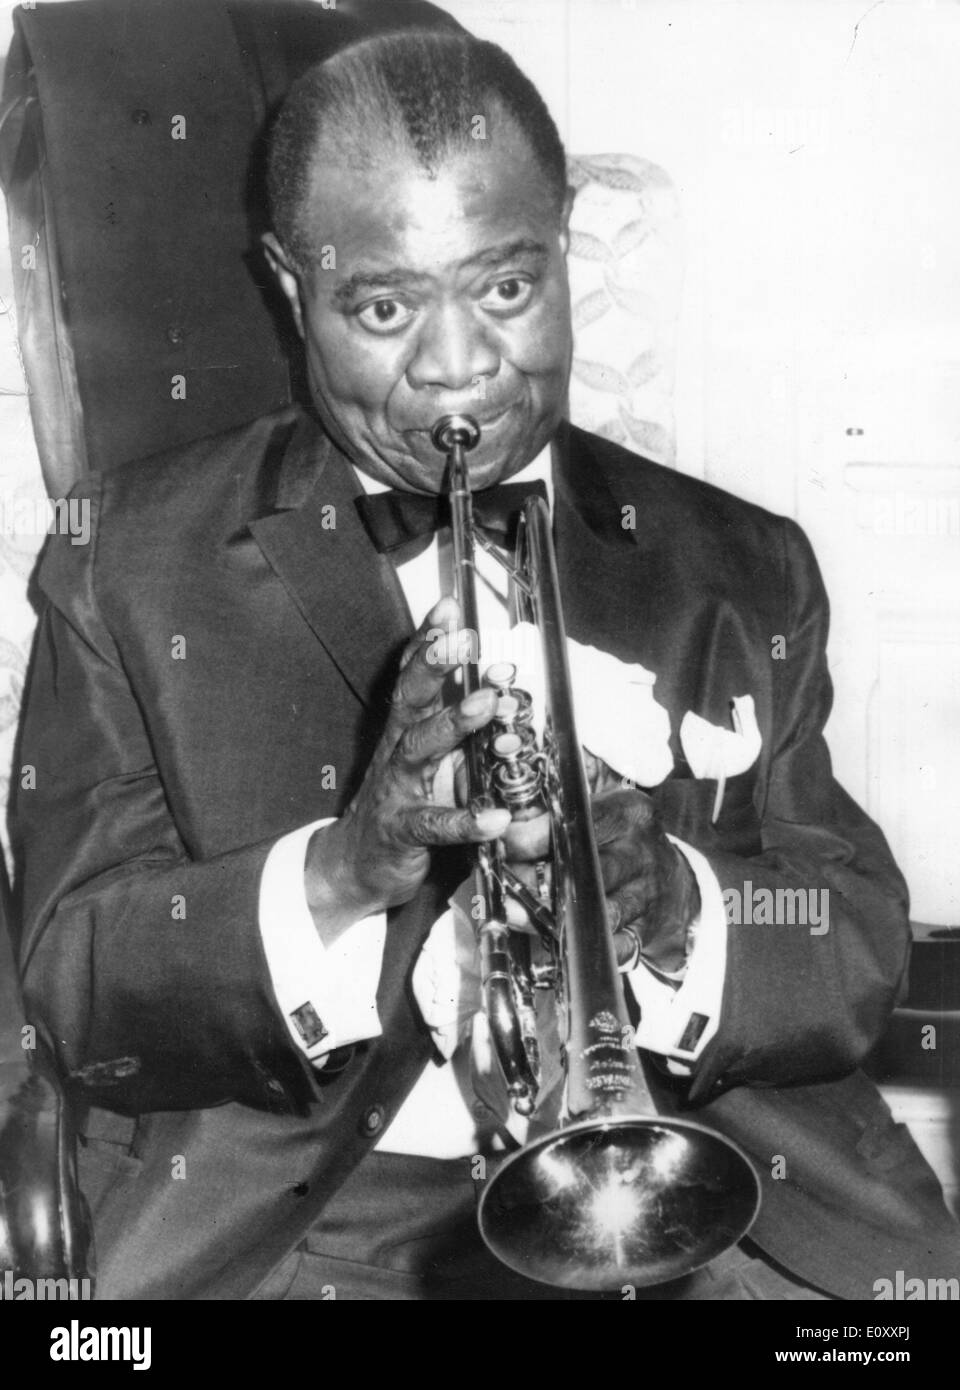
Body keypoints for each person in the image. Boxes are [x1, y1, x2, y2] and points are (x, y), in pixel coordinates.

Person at [12, 28, 960, 1301]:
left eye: (505, 289)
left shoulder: (740, 564)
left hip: (717, 1198)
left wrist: (676, 902)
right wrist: (348, 870)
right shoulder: (129, 565)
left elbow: (853, 946)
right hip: (295, 1230)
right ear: (294, 289)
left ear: (560, 244)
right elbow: (77, 982)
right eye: (388, 308)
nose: (459, 370)